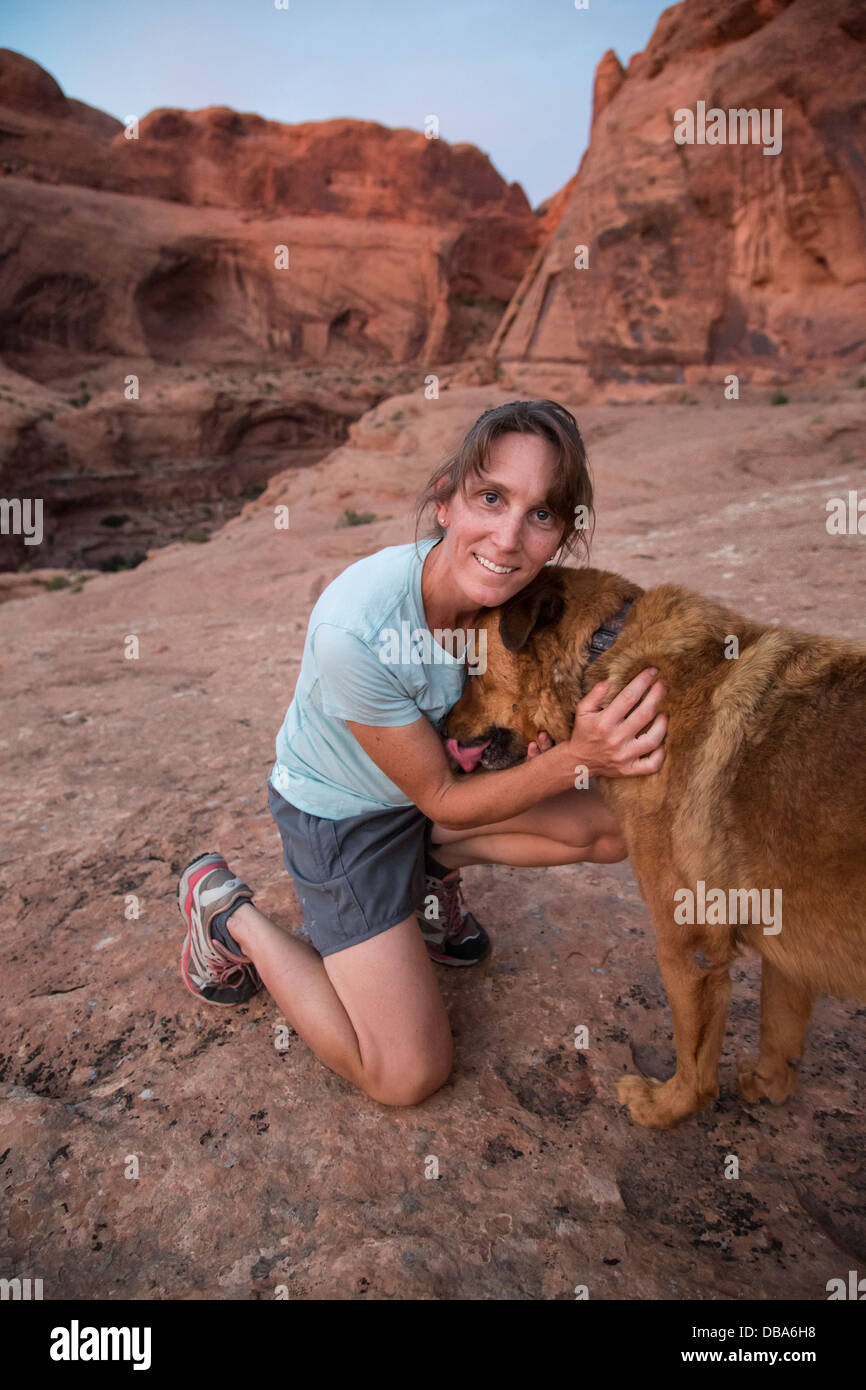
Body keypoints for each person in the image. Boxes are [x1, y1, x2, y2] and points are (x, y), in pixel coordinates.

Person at [177, 399, 667, 1107]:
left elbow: (496, 732)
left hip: (426, 789)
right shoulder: (359, 630)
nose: (507, 538)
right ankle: (225, 912)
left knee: (614, 824)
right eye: (491, 498)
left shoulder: (514, 598)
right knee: (405, 1076)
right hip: (347, 818)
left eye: (540, 514)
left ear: (562, 534)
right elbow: (440, 797)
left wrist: (552, 737)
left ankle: (428, 875)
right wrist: (574, 758)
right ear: (446, 503)